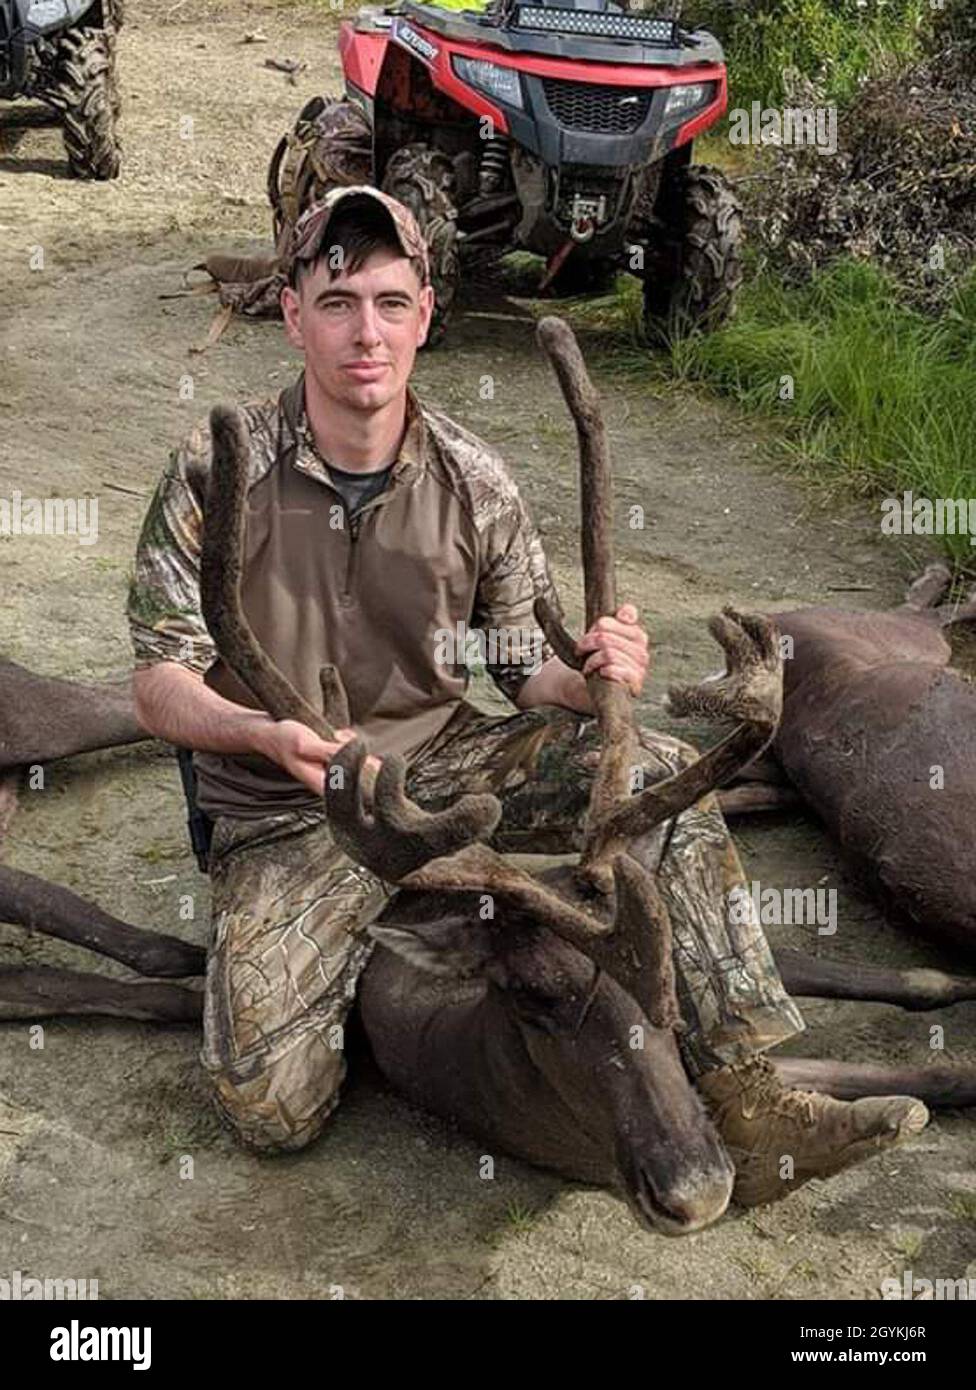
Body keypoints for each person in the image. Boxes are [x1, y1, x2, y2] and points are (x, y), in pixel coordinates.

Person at [127, 185, 927, 1208]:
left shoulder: (473, 477)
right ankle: (381, 954)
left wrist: (595, 677)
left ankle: (740, 1078)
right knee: (270, 1112)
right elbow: (157, 681)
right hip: (289, 805)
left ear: (424, 313)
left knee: (652, 768)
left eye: (387, 301)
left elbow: (522, 673)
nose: (363, 331)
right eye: (335, 303)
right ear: (291, 314)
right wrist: (256, 730)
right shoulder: (214, 470)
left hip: (446, 764)